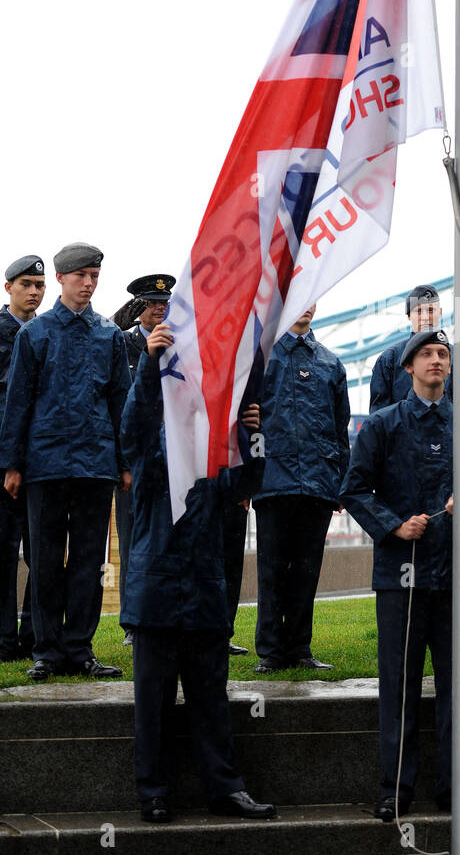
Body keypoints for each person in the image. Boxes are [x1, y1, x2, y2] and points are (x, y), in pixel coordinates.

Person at [120, 320, 275, 822]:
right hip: (157, 595)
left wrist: (253, 431)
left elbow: (252, 477)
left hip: (205, 594)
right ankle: (153, 792)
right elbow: (132, 428)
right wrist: (149, 364)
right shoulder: (149, 455)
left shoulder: (215, 457)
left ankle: (225, 789)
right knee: (154, 704)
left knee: (212, 701)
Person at [0, 243, 131, 681]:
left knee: (90, 561)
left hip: (95, 465)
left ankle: (80, 648)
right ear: (61, 279)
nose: (89, 284)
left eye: (94, 276)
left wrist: (126, 462)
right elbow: (17, 402)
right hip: (46, 465)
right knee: (45, 561)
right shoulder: (34, 335)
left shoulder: (109, 335)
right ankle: (46, 651)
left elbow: (121, 405)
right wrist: (12, 464)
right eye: (81, 276)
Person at [341, 328, 453, 821]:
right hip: (400, 576)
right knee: (399, 686)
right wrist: (393, 525)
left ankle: (455, 787)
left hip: (456, 577)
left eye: (443, 354)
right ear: (407, 367)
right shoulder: (383, 424)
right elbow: (354, 489)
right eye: (427, 353)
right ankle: (395, 788)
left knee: (458, 688)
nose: (436, 360)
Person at [253, 304, 350, 672]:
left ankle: (299, 648)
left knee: (307, 569)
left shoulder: (331, 363)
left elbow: (340, 429)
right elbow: (245, 421)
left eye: (311, 299)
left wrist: (341, 482)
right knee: (272, 568)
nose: (305, 307)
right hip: (272, 478)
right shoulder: (261, 357)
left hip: (318, 481)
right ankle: (270, 651)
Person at [112, 273, 176, 648]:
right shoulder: (122, 344)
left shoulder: (180, 346)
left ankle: (172, 616)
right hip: (137, 461)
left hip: (177, 459)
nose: (159, 308)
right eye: (151, 302)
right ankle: (132, 625)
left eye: (164, 303)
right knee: (134, 540)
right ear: (138, 307)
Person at [0, 255, 46, 661]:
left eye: (39, 285)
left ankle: (33, 636)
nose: (33, 292)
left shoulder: (47, 333)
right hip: (2, 463)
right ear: (8, 287)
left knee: (42, 556)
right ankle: (3, 641)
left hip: (41, 462)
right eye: (26, 284)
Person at [369, 283, 452, 412]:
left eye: (430, 310)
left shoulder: (458, 357)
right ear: (409, 316)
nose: (425, 317)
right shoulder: (388, 360)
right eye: (418, 311)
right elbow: (378, 419)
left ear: (440, 312)